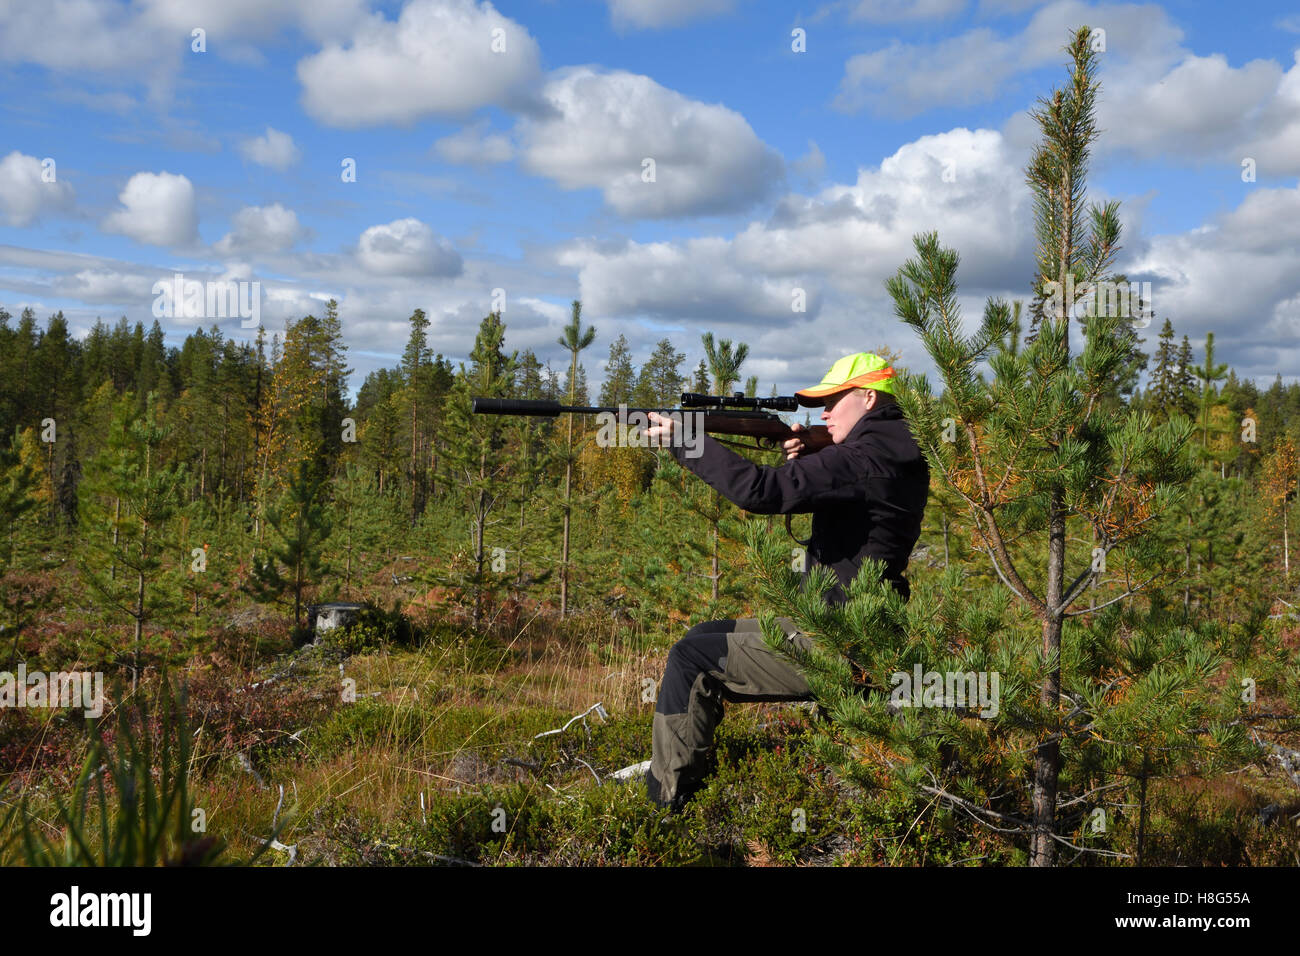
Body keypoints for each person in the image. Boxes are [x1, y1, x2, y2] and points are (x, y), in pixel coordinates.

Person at [639, 352, 930, 812]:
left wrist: (687, 442)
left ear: (869, 398)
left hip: (841, 641)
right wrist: (815, 455)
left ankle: (666, 805)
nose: (826, 412)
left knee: (692, 659)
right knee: (701, 637)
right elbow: (850, 492)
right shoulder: (895, 451)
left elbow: (762, 491)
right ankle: (693, 774)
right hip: (863, 629)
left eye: (835, 400)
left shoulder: (860, 458)